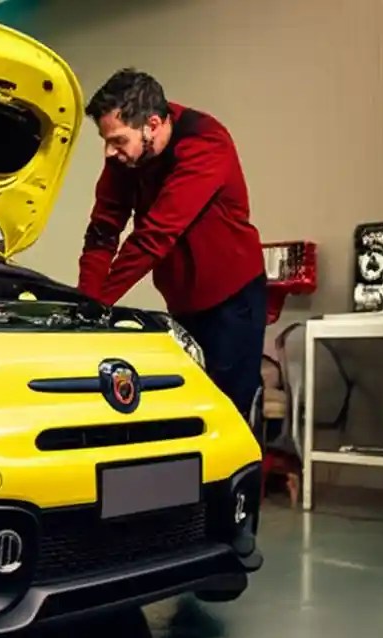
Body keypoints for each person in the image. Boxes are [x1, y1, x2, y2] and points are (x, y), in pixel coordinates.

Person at [77, 68, 267, 424]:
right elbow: (102, 231)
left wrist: (98, 306)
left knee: (231, 416)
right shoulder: (125, 159)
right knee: (190, 412)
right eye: (106, 140)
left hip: (233, 301)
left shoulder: (205, 142)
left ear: (152, 124)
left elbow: (155, 235)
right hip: (183, 302)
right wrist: (85, 302)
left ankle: (245, 481)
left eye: (117, 140)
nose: (110, 152)